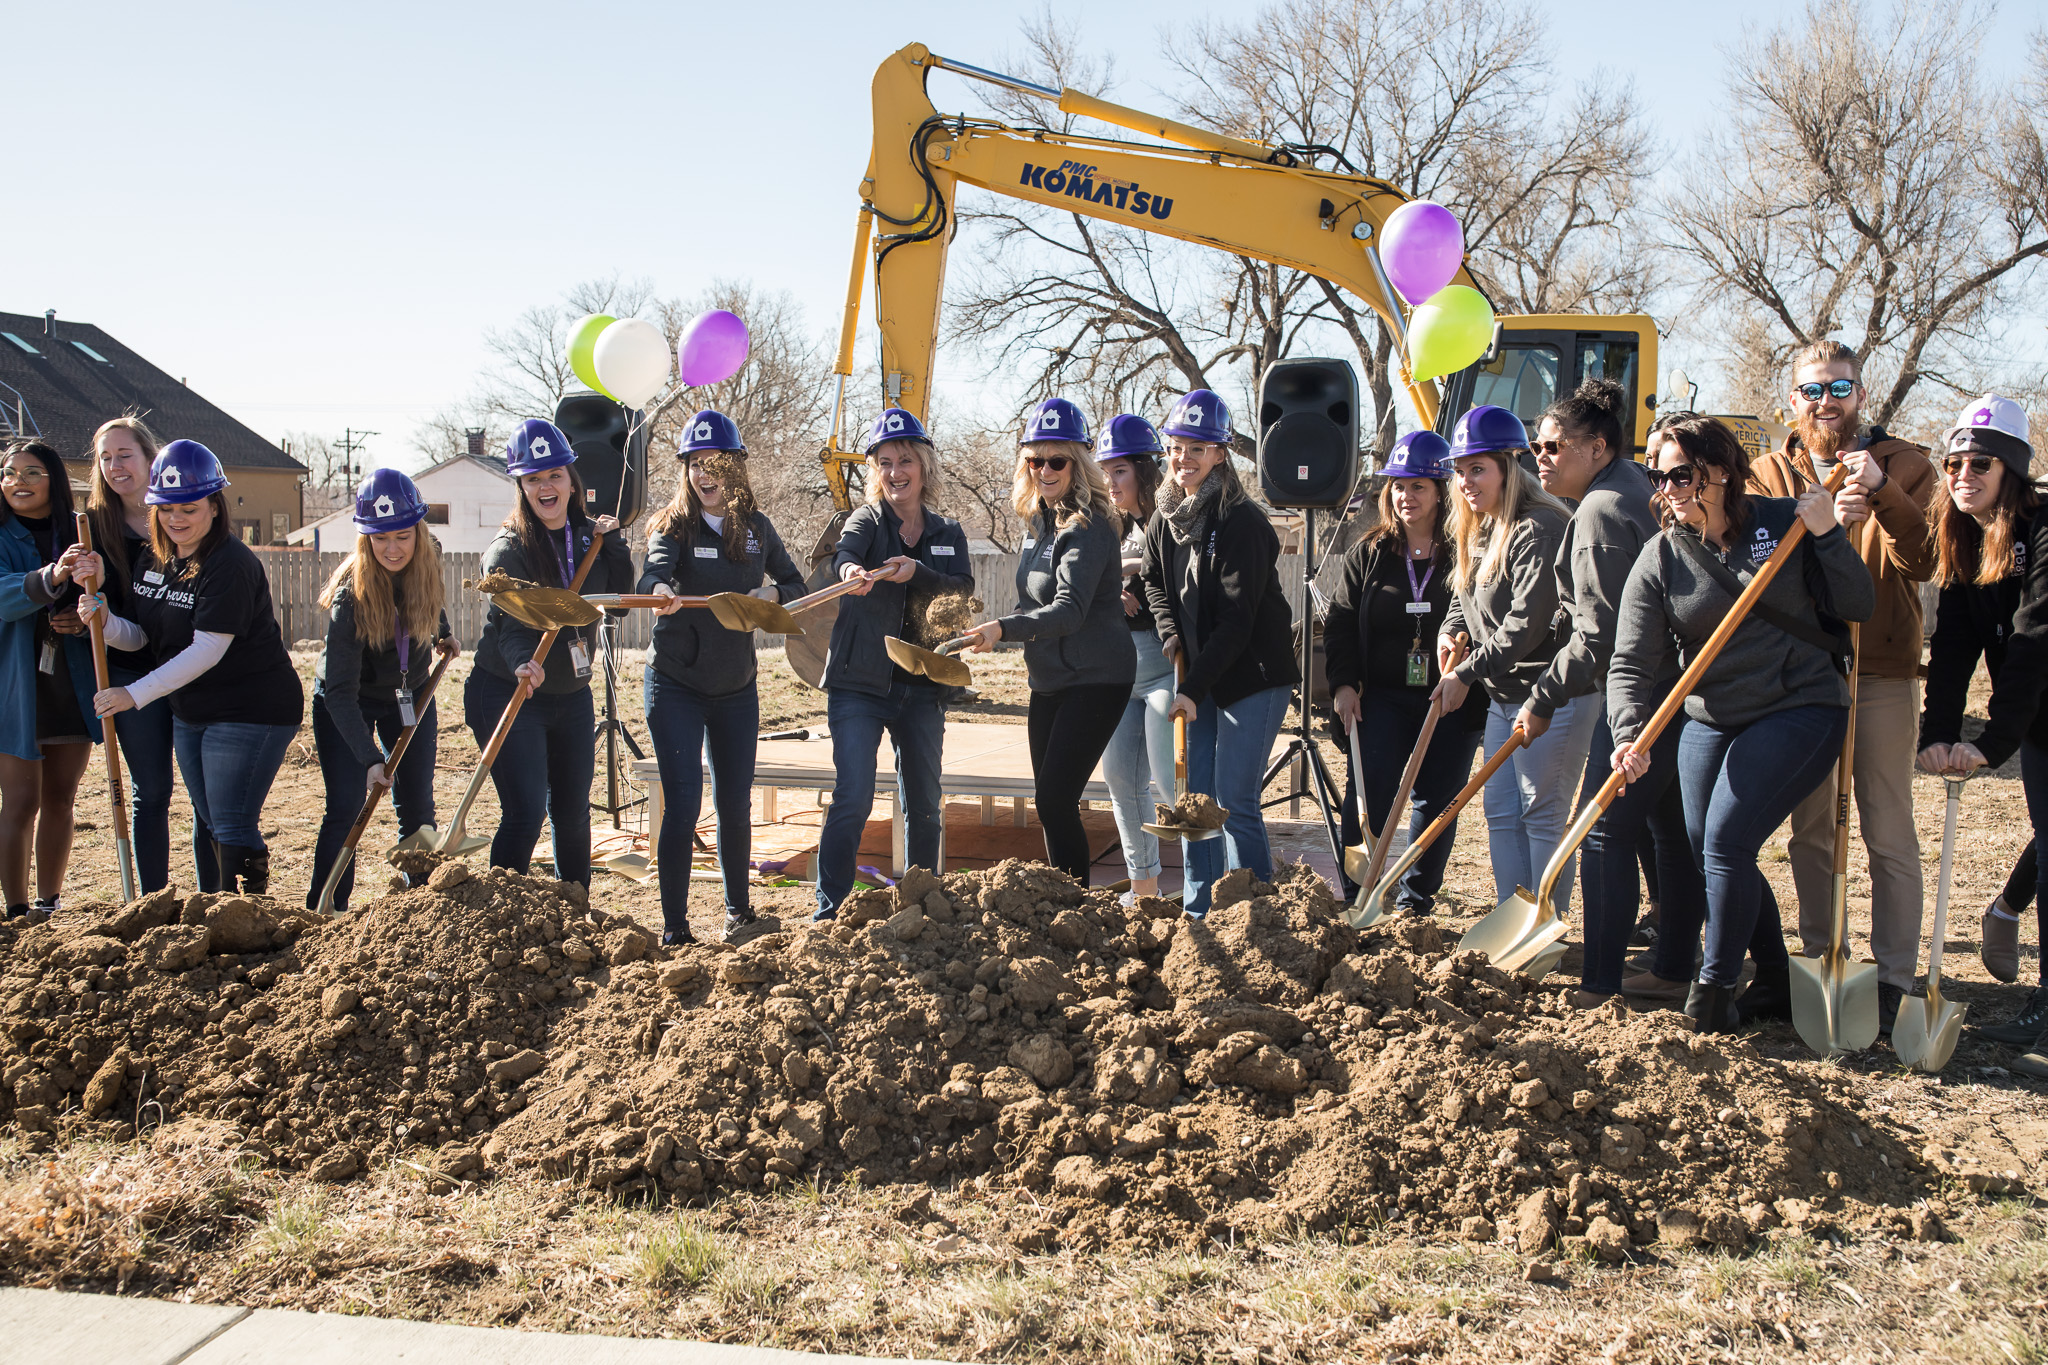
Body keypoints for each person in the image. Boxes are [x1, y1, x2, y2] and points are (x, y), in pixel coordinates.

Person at [1608, 415, 1873, 1032]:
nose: (1667, 488)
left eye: (1681, 474)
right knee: (1708, 848)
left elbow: (1858, 605)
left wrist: (1828, 534)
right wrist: (1628, 733)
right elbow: (1631, 662)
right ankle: (1776, 975)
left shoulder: (1785, 523)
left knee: (1727, 840)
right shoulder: (1661, 557)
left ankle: (1714, 991)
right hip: (1713, 715)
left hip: (1800, 704)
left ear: (1721, 471)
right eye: (1657, 476)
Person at [1750, 340, 1936, 1030]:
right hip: (1805, 671)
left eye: (1840, 388)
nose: (1825, 402)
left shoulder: (1906, 465)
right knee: (1811, 827)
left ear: (1862, 394)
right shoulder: (1769, 472)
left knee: (1887, 827)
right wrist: (1821, 526)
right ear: (1791, 399)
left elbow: (1923, 559)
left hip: (1881, 667)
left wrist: (1883, 497)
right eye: (1811, 390)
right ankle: (1823, 957)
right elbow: (1760, 571)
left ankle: (1892, 977)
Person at [1525, 384, 1706, 1009]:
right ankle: (1676, 966)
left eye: (1553, 446)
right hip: (1683, 690)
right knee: (1669, 831)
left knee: (1601, 832)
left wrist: (1544, 694)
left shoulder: (1602, 510)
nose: (1539, 457)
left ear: (1596, 447)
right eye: (1535, 446)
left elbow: (1599, 637)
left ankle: (1600, 982)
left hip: (1646, 691)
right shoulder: (1635, 486)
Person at [80, 440, 305, 894]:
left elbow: (206, 650)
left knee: (231, 821)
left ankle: (248, 928)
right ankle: (213, 915)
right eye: (166, 509)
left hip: (249, 710)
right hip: (193, 711)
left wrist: (133, 694)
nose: (177, 518)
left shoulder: (230, 564)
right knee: (208, 820)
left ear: (215, 508)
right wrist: (104, 622)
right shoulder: (155, 559)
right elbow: (146, 637)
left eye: (189, 508)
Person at [1911, 394, 2048, 1067]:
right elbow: (1957, 642)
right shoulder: (1962, 535)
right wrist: (1936, 731)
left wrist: (1993, 742)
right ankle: (2013, 919)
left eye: (1981, 461)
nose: (1964, 472)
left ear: (2013, 469)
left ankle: (2015, 922)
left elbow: (2033, 638)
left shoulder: (2045, 526)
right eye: (1954, 460)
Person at [639, 411, 806, 945]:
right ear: (685, 469)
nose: (704, 474)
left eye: (715, 463)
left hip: (736, 686)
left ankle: (739, 914)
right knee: (683, 801)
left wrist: (775, 595)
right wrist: (659, 588)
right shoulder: (672, 525)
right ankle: (675, 928)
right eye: (694, 464)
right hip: (677, 685)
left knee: (734, 801)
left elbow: (795, 584)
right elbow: (652, 572)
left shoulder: (756, 529)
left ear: (735, 468)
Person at [1139, 389, 1297, 918]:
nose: (1183, 459)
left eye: (1197, 448)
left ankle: (1256, 913)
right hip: (1202, 672)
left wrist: (1189, 689)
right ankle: (1199, 911)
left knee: (1232, 801)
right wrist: (1170, 633)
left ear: (1221, 454)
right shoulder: (1165, 516)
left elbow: (1237, 621)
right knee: (1194, 801)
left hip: (1252, 675)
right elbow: (1154, 584)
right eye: (1176, 447)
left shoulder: (1241, 523)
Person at [965, 398, 1134, 886]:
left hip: (1098, 678)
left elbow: (1069, 610)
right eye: (1034, 460)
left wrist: (1002, 630)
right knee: (1049, 801)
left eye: (1056, 460)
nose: (1043, 469)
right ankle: (1063, 902)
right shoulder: (1039, 523)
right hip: (1050, 678)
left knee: (1056, 798)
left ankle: (1074, 906)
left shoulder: (1089, 526)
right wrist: (990, 626)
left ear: (1078, 464)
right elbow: (1033, 604)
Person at [813, 408, 973, 921]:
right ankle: (830, 908)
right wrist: (855, 569)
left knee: (924, 802)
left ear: (923, 466)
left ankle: (924, 906)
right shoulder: (865, 520)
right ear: (874, 471)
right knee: (853, 796)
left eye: (905, 460)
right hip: (859, 685)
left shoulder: (949, 532)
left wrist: (918, 573)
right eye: (884, 462)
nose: (895, 471)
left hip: (922, 687)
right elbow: (845, 555)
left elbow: (963, 593)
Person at [1434, 405, 1591, 913]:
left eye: (1477, 469)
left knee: (1540, 813)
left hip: (1555, 693)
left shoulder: (1539, 526)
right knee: (1501, 810)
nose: (1466, 482)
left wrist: (1465, 671)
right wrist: (1451, 630)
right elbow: (1464, 594)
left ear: (1509, 465)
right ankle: (1510, 917)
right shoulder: (1480, 524)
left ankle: (1544, 924)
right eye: (1460, 472)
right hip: (1504, 694)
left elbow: (1526, 625)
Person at [1324, 431, 1485, 912]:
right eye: (1397, 485)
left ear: (1442, 491)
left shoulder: (1469, 551)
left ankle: (1416, 903)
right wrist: (1344, 684)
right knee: (1366, 797)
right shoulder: (1369, 554)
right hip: (1382, 699)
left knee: (1436, 805)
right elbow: (1340, 624)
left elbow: (1484, 619)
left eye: (1418, 486)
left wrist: (1467, 673)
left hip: (1451, 699)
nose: (1404, 496)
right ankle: (1359, 894)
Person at [467, 419, 630, 887]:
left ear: (571, 479)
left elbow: (618, 598)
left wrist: (612, 539)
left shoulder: (591, 536)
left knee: (573, 812)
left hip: (572, 694)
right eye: (534, 478)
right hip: (510, 689)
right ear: (521, 485)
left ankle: (574, 908)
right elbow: (508, 622)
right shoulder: (507, 550)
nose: (546, 486)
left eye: (555, 475)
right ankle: (504, 912)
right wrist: (523, 660)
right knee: (526, 810)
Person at [307, 469, 458, 914]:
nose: (392, 549)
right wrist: (370, 758)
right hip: (346, 702)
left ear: (418, 530)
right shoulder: (350, 597)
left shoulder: (428, 557)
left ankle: (423, 908)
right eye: (379, 538)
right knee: (348, 805)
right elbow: (338, 693)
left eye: (402, 536)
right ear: (364, 539)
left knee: (418, 803)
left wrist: (442, 633)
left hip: (408, 694)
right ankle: (325, 908)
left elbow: (427, 604)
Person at [84, 416, 208, 893]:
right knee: (152, 791)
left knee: (203, 796)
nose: (116, 466)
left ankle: (210, 896)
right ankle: (153, 900)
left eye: (125, 454)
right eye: (106, 458)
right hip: (128, 664)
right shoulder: (94, 526)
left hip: (191, 667)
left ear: (151, 458)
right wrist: (83, 586)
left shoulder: (181, 513)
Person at [0, 439, 104, 919]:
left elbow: (110, 598)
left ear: (54, 480)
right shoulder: (2, 534)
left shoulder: (82, 532)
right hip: (18, 686)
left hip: (70, 680)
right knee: (20, 801)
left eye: (31, 472)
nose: (17, 481)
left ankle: (48, 902)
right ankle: (17, 909)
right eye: (8, 472)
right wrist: (48, 578)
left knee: (60, 798)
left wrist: (84, 618)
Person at [1094, 414, 1176, 901]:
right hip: (1120, 670)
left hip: (1165, 667)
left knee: (1169, 785)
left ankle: (1204, 886)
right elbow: (1090, 582)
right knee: (1122, 781)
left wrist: (1119, 572)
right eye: (1105, 471)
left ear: (1146, 470)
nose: (1110, 481)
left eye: (1119, 470)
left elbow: (1159, 567)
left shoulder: (1169, 517)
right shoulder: (1112, 525)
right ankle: (1144, 889)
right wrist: (1109, 587)